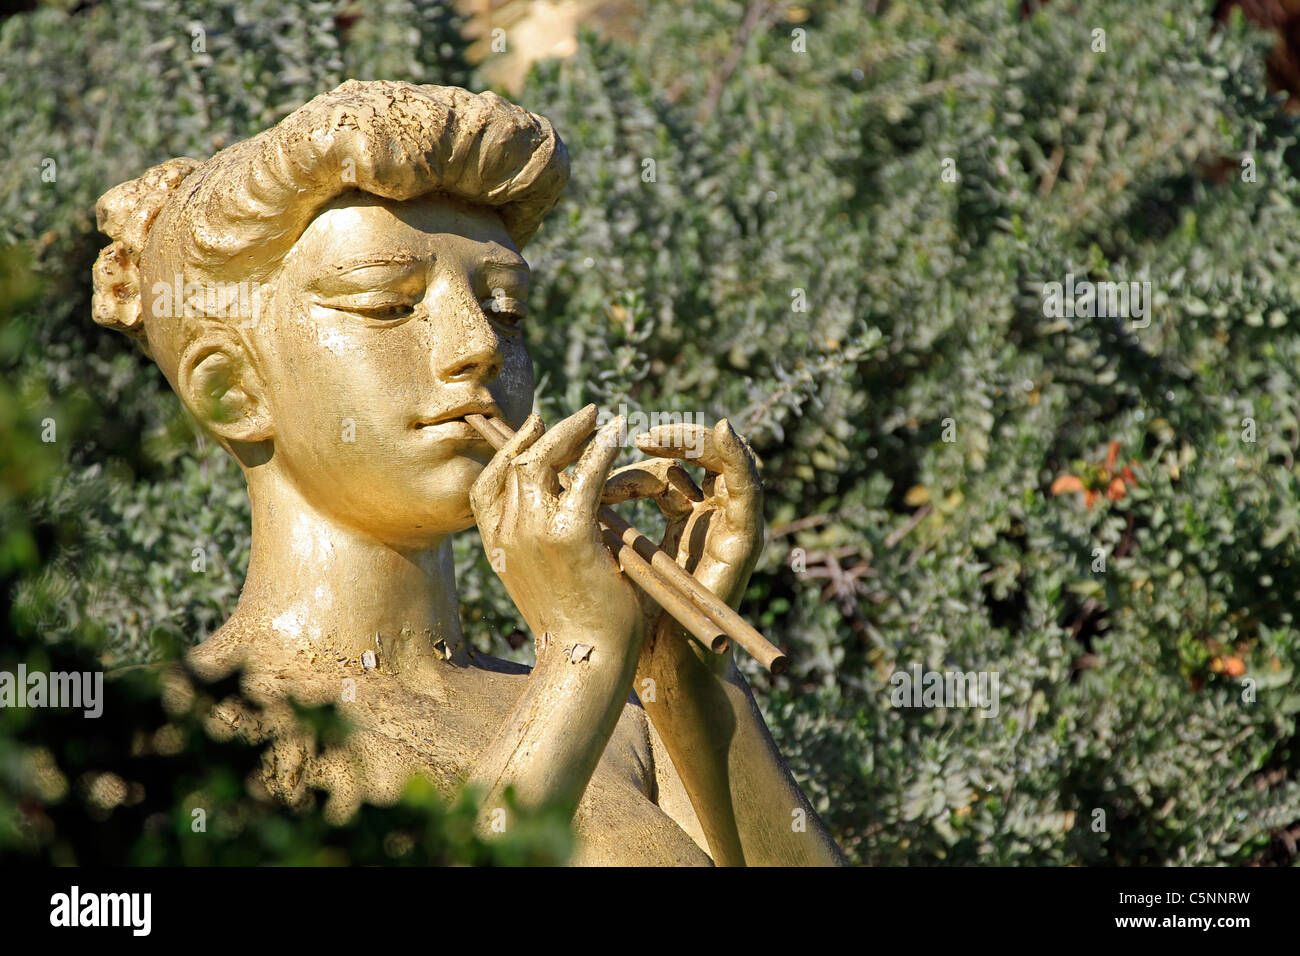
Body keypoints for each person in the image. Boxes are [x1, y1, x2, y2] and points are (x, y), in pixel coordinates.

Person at [92, 79, 844, 865]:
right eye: (387, 304)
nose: (476, 343)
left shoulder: (631, 729)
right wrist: (580, 655)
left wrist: (682, 674)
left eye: (506, 308)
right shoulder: (156, 740)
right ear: (232, 389)